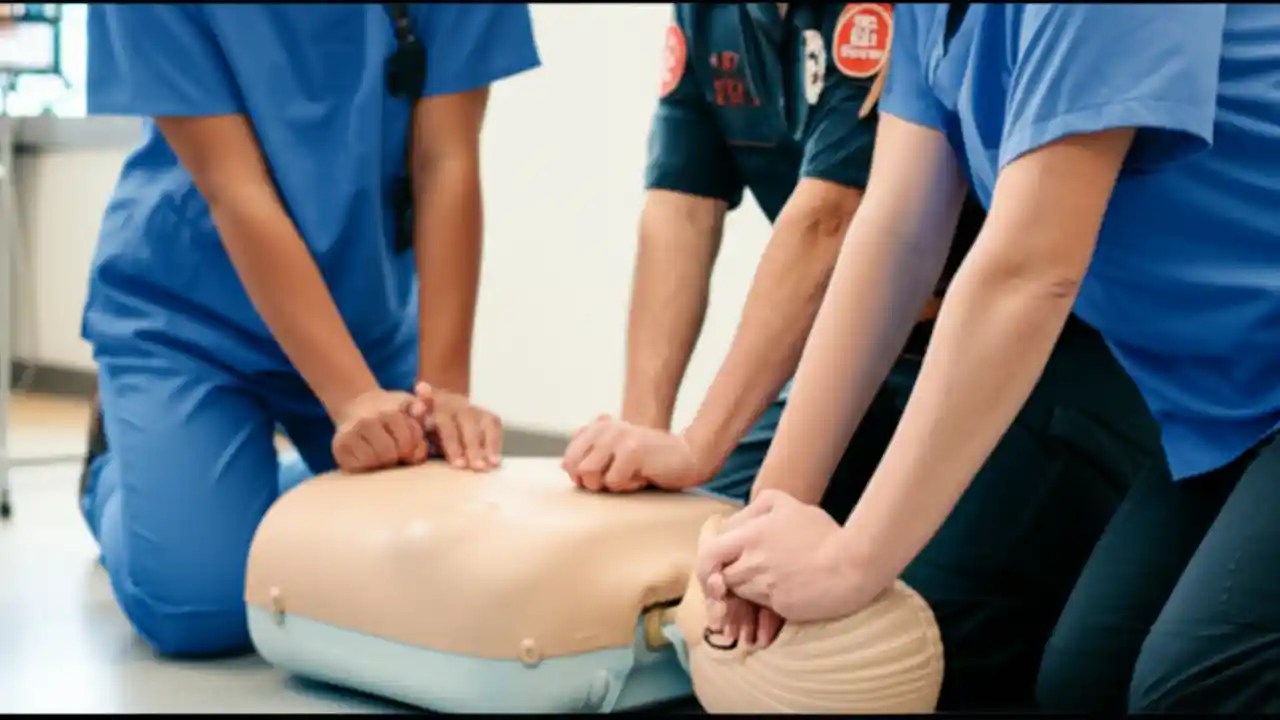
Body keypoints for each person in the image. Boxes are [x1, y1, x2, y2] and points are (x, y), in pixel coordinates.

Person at [562, 2, 1165, 710]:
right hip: (875, 360)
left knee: (899, 643)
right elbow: (684, 209)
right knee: (708, 580)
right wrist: (661, 448)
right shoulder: (721, 16)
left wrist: (704, 446)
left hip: (1043, 361)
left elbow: (835, 222)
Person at [694, 3, 1280, 714]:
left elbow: (1030, 268)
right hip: (1225, 410)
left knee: (1198, 689)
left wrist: (851, 562)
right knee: (1084, 684)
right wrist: (772, 516)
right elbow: (897, 233)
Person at [78, 3, 539, 658]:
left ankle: (241, 482)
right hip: (184, 320)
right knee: (200, 607)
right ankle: (109, 474)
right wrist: (352, 400)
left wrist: (444, 392)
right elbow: (234, 186)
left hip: (363, 320)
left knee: (435, 561)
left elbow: (447, 160)